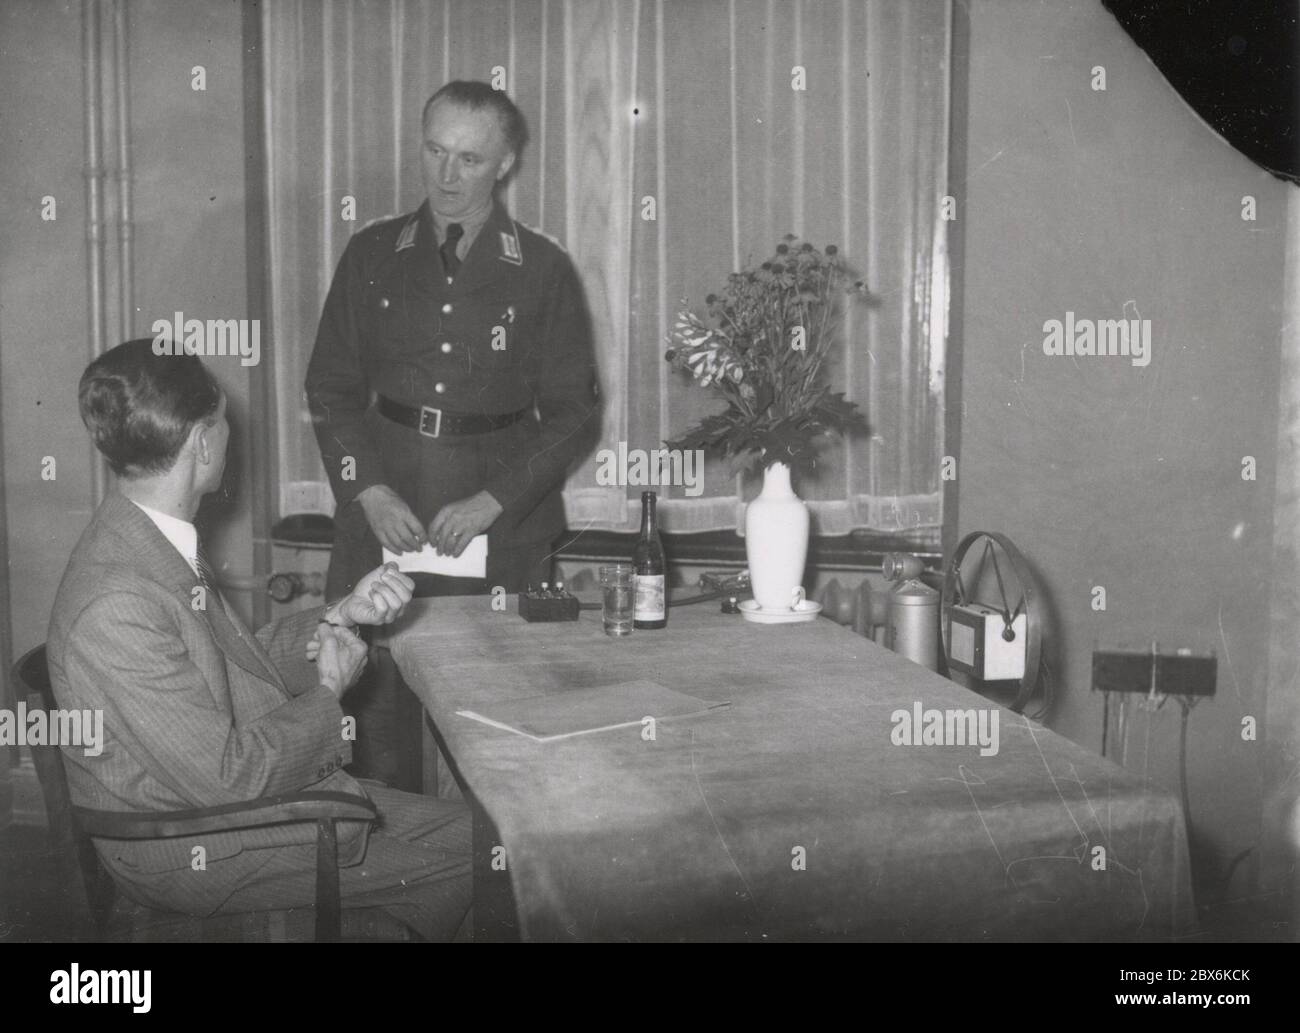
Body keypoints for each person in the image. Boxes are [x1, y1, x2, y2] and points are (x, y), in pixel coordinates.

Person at [46, 340, 471, 941]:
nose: (229, 437)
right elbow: (227, 779)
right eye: (222, 422)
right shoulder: (117, 602)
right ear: (199, 442)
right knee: (494, 868)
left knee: (492, 836)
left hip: (230, 808)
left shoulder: (149, 536)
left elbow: (239, 664)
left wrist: (344, 614)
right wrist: (329, 693)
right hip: (195, 846)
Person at [306, 80, 601, 787]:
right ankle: (387, 879)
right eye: (435, 151)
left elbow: (573, 411)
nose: (445, 176)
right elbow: (331, 389)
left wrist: (494, 500)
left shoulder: (542, 269)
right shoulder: (372, 253)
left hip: (500, 527)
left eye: (469, 159)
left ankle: (497, 882)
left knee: (500, 726)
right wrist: (368, 491)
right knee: (370, 717)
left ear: (505, 163)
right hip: (384, 506)